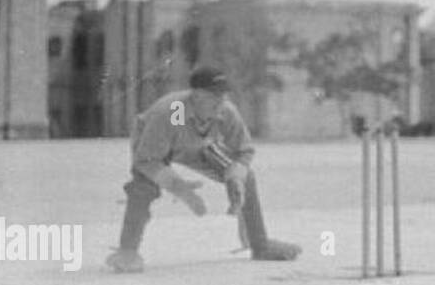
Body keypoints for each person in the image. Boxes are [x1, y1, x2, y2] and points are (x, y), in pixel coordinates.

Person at [104, 67, 302, 272]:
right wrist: (176, 185)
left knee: (245, 178)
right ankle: (127, 251)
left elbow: (244, 152)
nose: (220, 101)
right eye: (212, 96)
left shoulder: (225, 111)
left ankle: (260, 245)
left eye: (223, 95)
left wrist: (235, 176)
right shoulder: (177, 112)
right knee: (143, 188)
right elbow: (148, 159)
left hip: (199, 144)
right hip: (155, 146)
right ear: (195, 96)